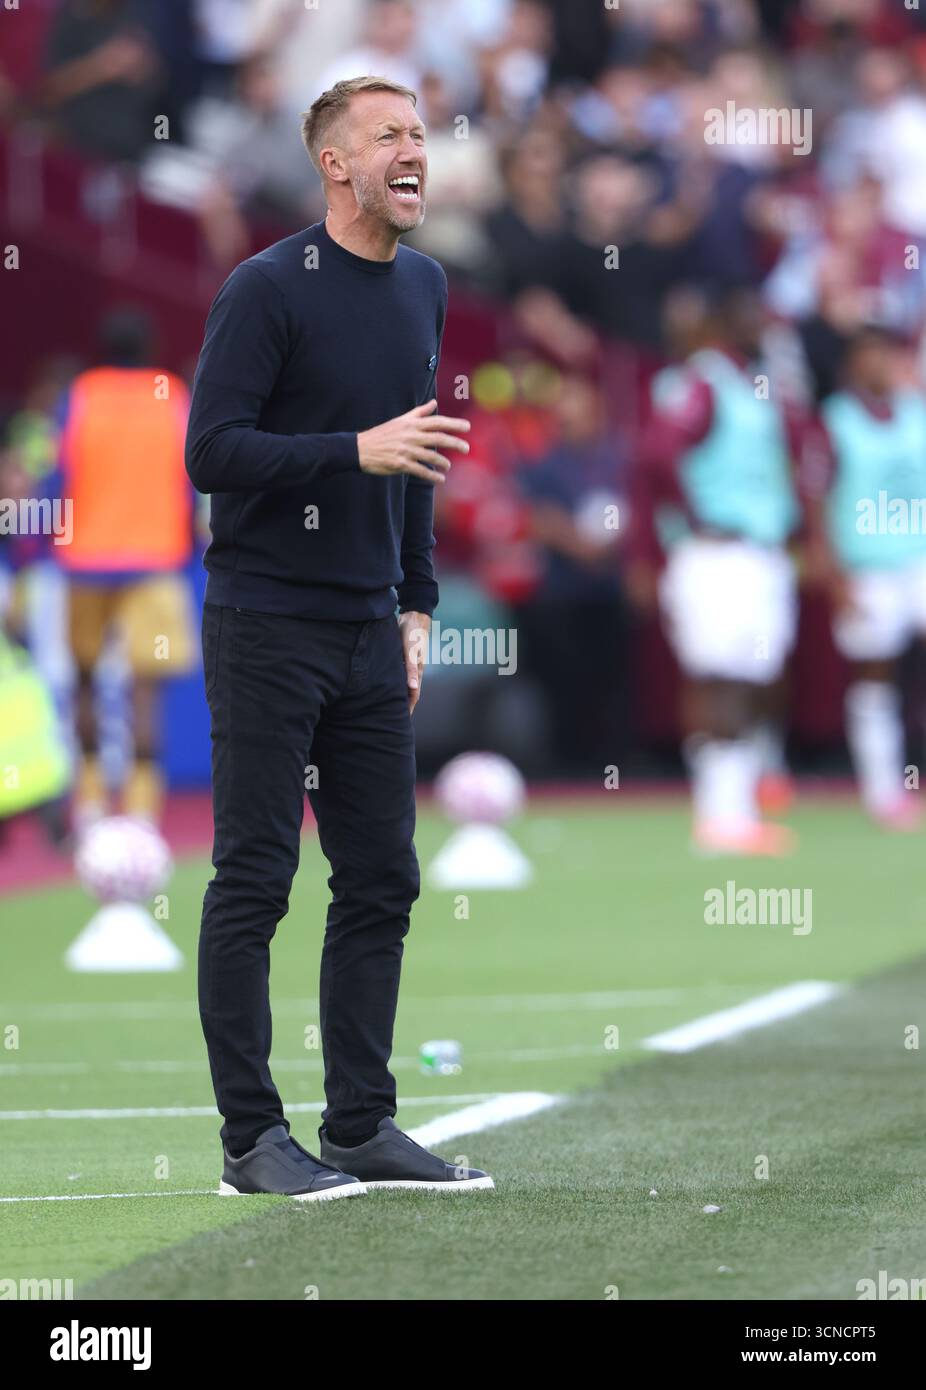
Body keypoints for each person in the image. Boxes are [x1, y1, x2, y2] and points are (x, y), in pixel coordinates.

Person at [186, 75, 493, 1199]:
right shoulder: (266, 287)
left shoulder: (425, 284)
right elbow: (212, 453)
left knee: (381, 879)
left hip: (370, 627)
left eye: (420, 133)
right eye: (388, 136)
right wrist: (347, 451)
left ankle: (361, 1124)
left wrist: (416, 600)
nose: (414, 151)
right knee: (255, 878)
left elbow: (415, 455)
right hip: (266, 623)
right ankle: (249, 1142)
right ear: (334, 164)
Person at [639, 287, 801, 855]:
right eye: (750, 317)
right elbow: (659, 451)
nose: (762, 327)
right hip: (718, 550)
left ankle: (737, 805)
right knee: (720, 675)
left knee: (755, 675)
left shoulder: (752, 382)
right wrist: (692, 515)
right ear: (725, 322)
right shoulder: (704, 379)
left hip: (759, 549)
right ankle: (721, 815)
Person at [56, 309, 195, 829]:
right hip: (155, 557)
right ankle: (141, 809)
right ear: (149, 347)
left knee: (85, 680)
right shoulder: (172, 396)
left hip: (85, 559)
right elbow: (193, 474)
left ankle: (90, 802)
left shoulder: (80, 395)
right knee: (145, 687)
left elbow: (57, 474)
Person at [809, 324, 926, 827]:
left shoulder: (917, 414)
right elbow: (817, 497)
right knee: (875, 674)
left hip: (919, 558)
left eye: (886, 354)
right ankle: (884, 790)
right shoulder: (835, 421)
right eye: (868, 355)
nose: (878, 364)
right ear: (851, 364)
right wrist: (833, 573)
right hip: (867, 565)